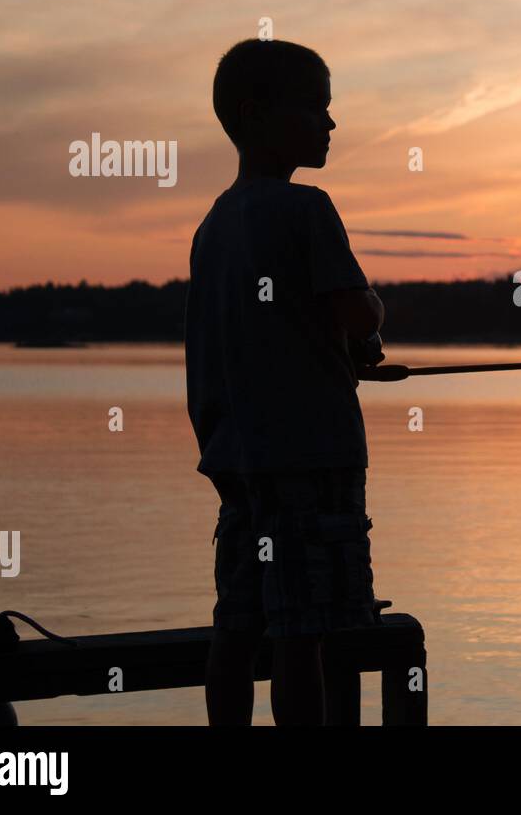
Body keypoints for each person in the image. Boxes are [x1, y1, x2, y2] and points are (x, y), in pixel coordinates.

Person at [185, 39, 384, 725]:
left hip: (239, 469)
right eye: (315, 108)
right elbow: (354, 311)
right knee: (312, 632)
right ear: (256, 114)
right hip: (313, 461)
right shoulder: (307, 209)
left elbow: (246, 339)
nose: (330, 125)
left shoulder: (214, 226)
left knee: (237, 630)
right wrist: (369, 328)